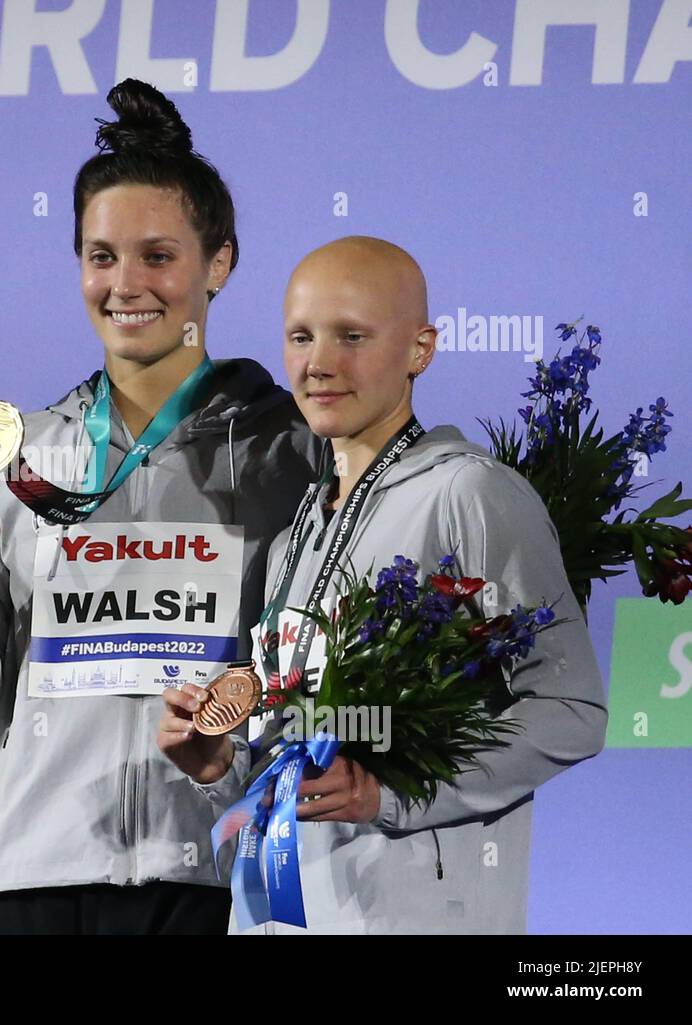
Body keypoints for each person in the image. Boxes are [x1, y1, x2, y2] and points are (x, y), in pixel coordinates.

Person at [0, 80, 322, 935]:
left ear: (220, 262)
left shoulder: (297, 456)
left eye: (158, 255)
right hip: (24, 884)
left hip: (209, 875)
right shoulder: (11, 461)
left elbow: (310, 684)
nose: (125, 284)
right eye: (101, 256)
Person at [158, 235, 608, 933]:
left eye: (352, 336)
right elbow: (298, 735)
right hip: (291, 911)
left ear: (419, 349)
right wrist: (222, 755)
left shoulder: (471, 493)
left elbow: (571, 710)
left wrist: (393, 789)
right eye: (301, 336)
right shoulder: (293, 540)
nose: (319, 363)